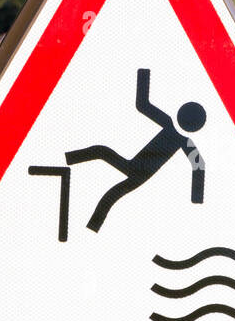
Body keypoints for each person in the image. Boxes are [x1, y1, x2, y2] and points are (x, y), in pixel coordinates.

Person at [65, 68, 205, 232]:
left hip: (140, 174)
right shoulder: (173, 128)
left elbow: (199, 166)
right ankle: (64, 159)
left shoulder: (184, 140)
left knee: (111, 192)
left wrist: (196, 199)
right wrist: (143, 76)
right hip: (134, 166)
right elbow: (143, 105)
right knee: (102, 155)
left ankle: (90, 229)